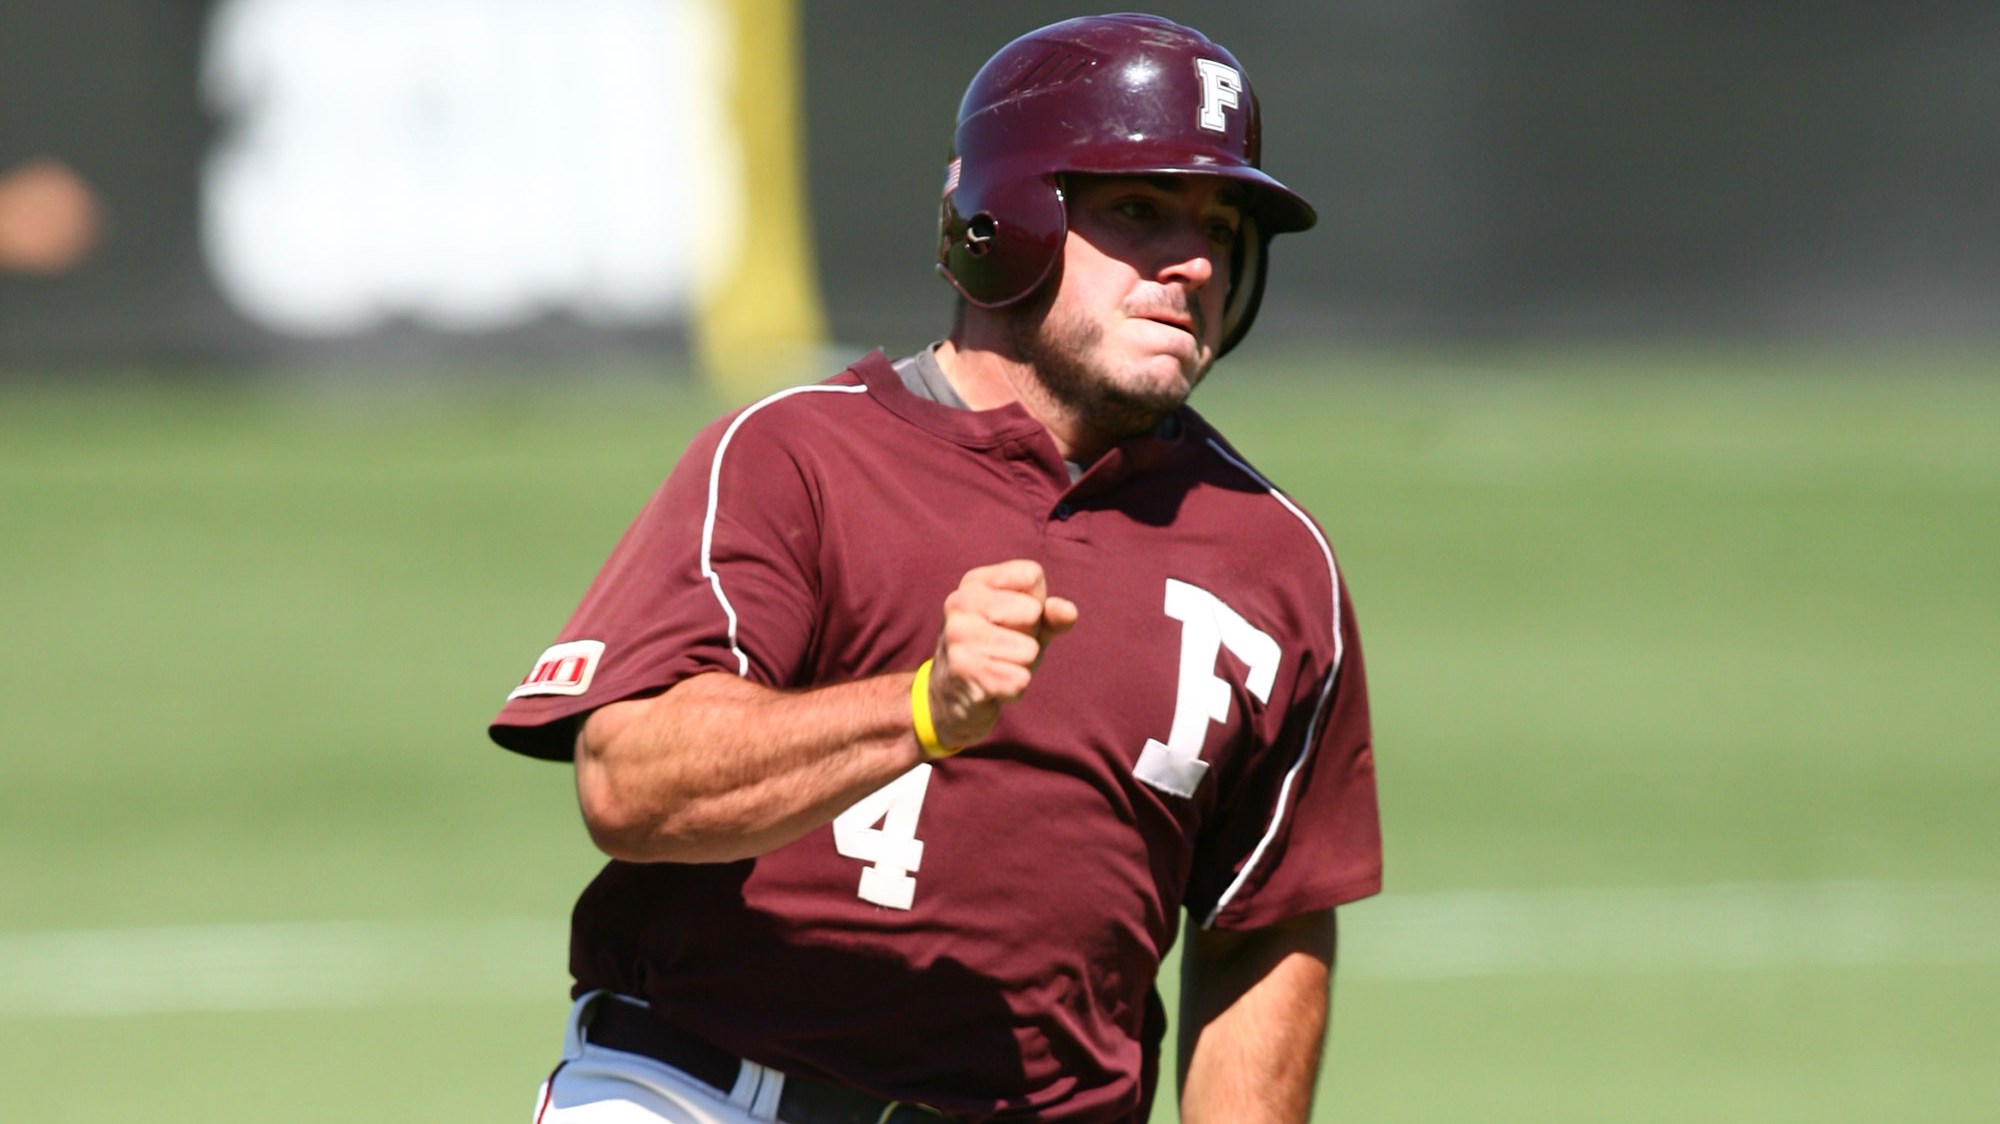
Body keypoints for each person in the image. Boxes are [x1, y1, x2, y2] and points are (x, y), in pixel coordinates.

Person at [490, 14, 1380, 1123]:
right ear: (1005, 219)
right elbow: (630, 782)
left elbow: (1265, 923)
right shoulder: (798, 457)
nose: (1193, 262)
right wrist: (918, 708)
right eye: (1139, 211)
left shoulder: (1273, 559)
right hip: (697, 1096)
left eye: (1222, 227)